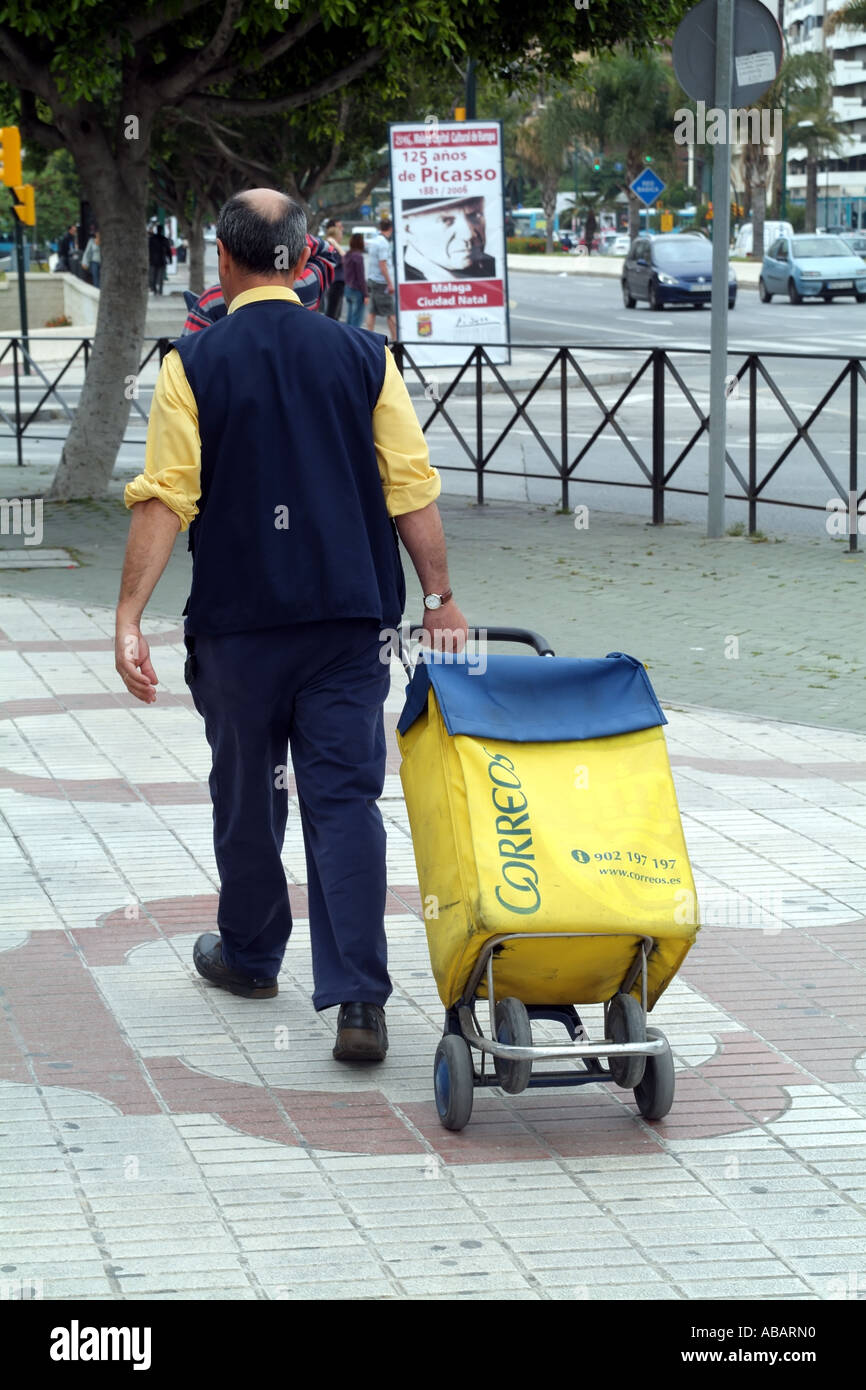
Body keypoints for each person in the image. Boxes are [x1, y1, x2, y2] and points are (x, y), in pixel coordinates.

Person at [116, 188, 467, 1064]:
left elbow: (166, 498)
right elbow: (409, 487)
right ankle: (358, 1002)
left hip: (237, 627)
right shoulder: (365, 356)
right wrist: (439, 598)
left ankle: (251, 954)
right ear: (307, 263)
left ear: (226, 264)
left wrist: (129, 614)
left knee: (248, 792)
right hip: (349, 623)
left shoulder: (190, 366)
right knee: (343, 799)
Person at [181, 231, 338, 332]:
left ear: (224, 258)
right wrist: (289, 234)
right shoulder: (306, 287)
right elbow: (328, 253)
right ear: (302, 260)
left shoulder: (213, 300)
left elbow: (186, 361)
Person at [401, 196, 496, 280]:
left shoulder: (493, 267)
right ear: (408, 229)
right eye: (446, 220)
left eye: (475, 216)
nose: (469, 235)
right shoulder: (401, 278)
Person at [365, 215, 396, 339]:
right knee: (391, 313)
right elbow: (383, 264)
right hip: (381, 282)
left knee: (372, 312)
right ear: (391, 228)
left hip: (372, 279)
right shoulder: (383, 243)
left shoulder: (374, 240)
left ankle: (369, 337)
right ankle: (396, 339)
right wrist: (390, 283)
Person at [342, 232, 368, 328]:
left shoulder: (347, 255)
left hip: (348, 288)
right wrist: (366, 294)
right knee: (356, 320)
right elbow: (360, 277)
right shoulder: (358, 256)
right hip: (357, 290)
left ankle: (346, 340)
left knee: (349, 318)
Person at [323, 218, 345, 320]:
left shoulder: (333, 248)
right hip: (334, 282)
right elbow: (343, 258)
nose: (341, 236)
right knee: (333, 312)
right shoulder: (333, 249)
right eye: (340, 234)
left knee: (335, 311)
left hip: (337, 282)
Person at [148, 224, 171, 295]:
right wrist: (170, 258)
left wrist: (170, 258)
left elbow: (168, 250)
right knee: (155, 277)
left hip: (157, 260)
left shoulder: (154, 239)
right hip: (157, 260)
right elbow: (168, 251)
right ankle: (157, 290)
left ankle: (157, 290)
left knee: (156, 276)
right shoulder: (155, 239)